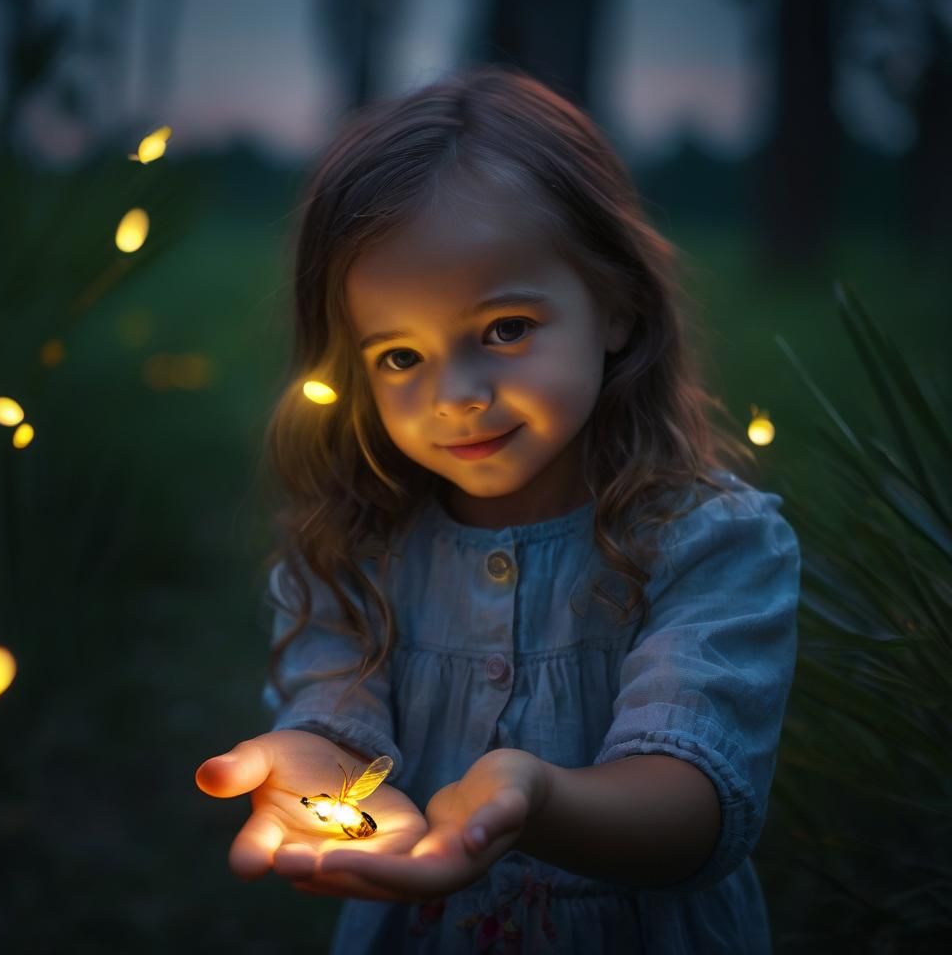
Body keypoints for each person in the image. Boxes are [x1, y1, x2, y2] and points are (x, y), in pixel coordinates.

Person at [195, 65, 801, 954]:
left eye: (505, 329)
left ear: (618, 306)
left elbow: (696, 807)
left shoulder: (711, 545)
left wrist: (536, 798)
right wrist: (312, 764)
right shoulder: (351, 551)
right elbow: (334, 724)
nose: (458, 396)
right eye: (400, 357)